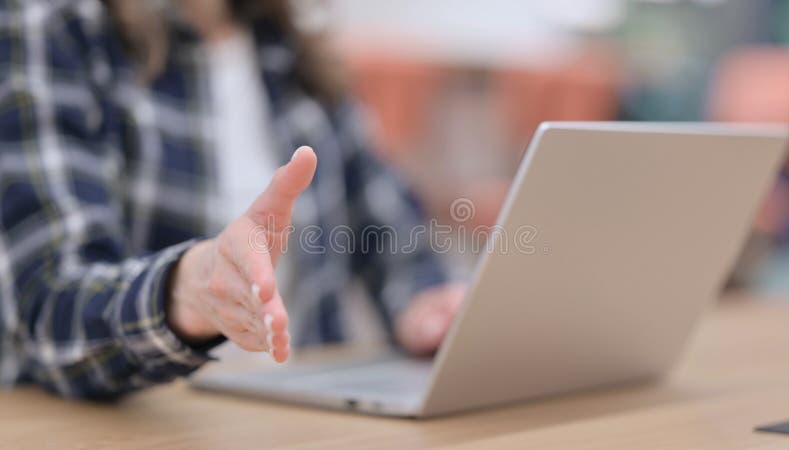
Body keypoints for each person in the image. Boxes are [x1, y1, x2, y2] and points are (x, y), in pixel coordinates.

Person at [0, 0, 465, 399]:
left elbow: (395, 237)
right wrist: (187, 290)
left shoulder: (287, 39)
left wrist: (425, 302)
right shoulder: (49, 23)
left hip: (304, 422)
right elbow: (45, 310)